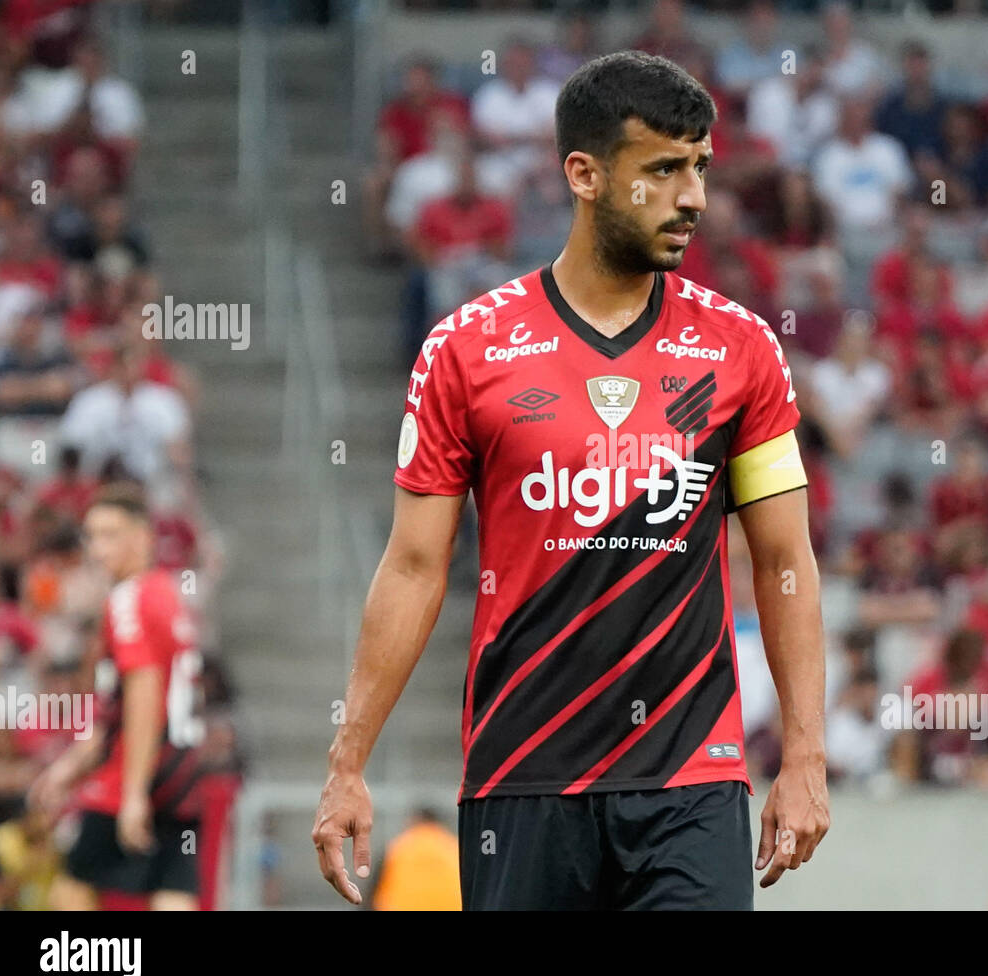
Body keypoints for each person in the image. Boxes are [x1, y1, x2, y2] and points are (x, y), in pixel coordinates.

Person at [314, 51, 829, 912]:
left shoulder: (742, 350)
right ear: (584, 175)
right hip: (522, 779)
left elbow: (785, 560)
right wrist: (348, 763)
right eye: (663, 170)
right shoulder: (465, 350)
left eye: (700, 167)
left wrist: (805, 758)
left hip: (690, 781)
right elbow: (412, 567)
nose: (693, 197)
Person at [28, 484, 207, 910]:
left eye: (111, 534)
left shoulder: (128, 599)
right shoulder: (167, 595)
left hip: (131, 773)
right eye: (92, 535)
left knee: (70, 892)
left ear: (143, 536)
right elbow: (121, 703)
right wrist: (70, 766)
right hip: (181, 773)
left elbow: (143, 695)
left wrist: (132, 792)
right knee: (173, 892)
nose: (98, 547)